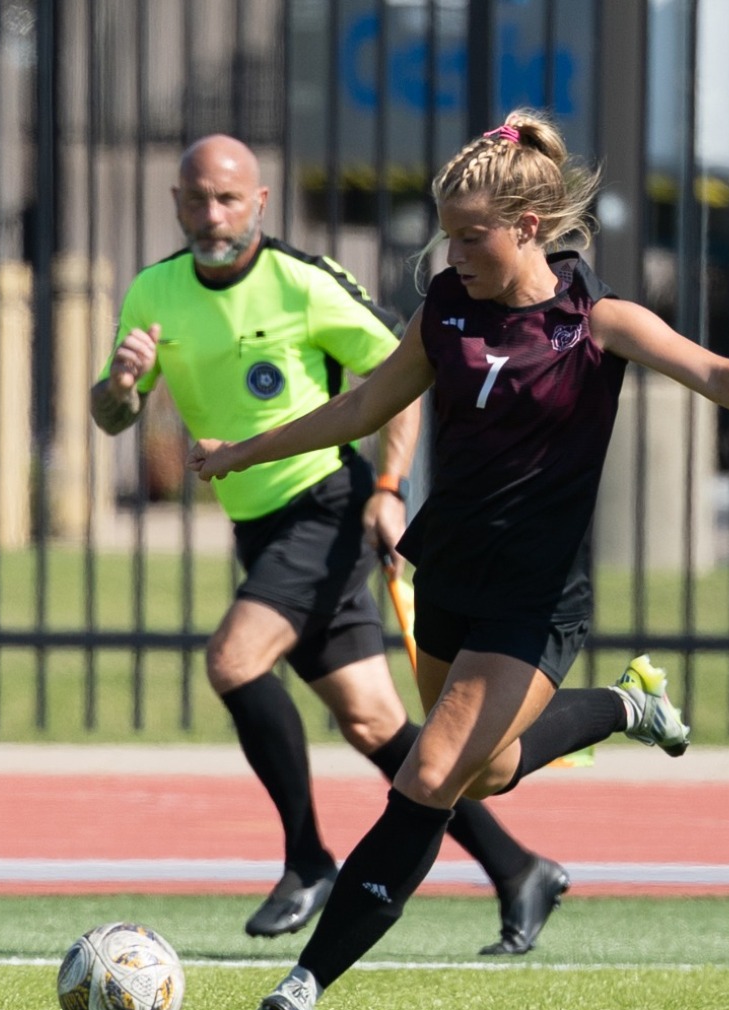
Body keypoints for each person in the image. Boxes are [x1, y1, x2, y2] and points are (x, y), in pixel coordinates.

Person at [187, 108, 729, 1010]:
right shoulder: (444, 312)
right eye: (446, 234)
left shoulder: (600, 322)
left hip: (534, 596)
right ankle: (628, 708)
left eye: (470, 236)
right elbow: (356, 409)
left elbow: (711, 370)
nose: (452, 252)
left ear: (528, 229)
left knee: (427, 770)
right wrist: (245, 452)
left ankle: (306, 978)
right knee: (485, 772)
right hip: (450, 574)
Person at [92, 133, 574, 955]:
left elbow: (398, 380)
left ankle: (307, 859)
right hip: (256, 529)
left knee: (234, 660)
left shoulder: (302, 283)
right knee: (377, 725)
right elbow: (110, 416)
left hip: (323, 509)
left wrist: (387, 493)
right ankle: (518, 866)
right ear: (175, 204)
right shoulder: (153, 292)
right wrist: (123, 387)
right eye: (195, 199)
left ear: (259, 203)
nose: (211, 215)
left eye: (227, 199)